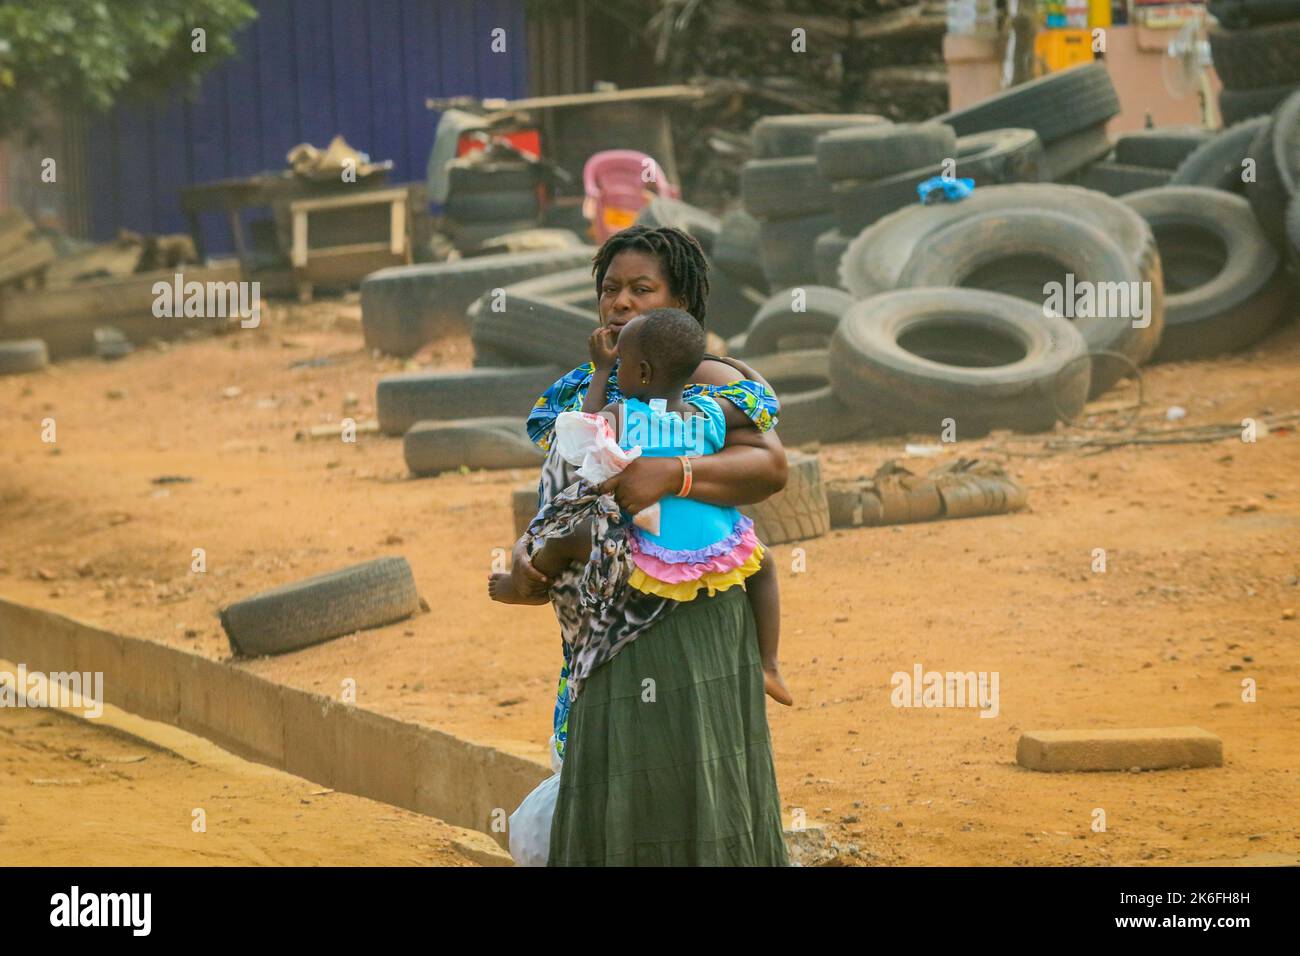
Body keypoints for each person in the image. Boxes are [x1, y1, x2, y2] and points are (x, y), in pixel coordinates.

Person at [509, 224, 791, 866]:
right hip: (603, 615)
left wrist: (675, 474)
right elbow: (565, 487)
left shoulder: (712, 380)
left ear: (681, 302)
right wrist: (530, 560)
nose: (621, 303)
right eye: (610, 290)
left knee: (688, 766)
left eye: (642, 289)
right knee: (620, 768)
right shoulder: (588, 388)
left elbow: (770, 469)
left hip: (688, 611)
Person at [488, 307, 791, 707]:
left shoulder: (622, 414)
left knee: (566, 538)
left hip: (647, 543)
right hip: (714, 541)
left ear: (643, 373)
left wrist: (600, 371)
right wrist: (744, 373)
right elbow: (762, 404)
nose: (618, 373)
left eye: (623, 367)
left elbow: (582, 437)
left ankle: (523, 584)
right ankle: (769, 663)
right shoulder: (711, 415)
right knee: (764, 564)